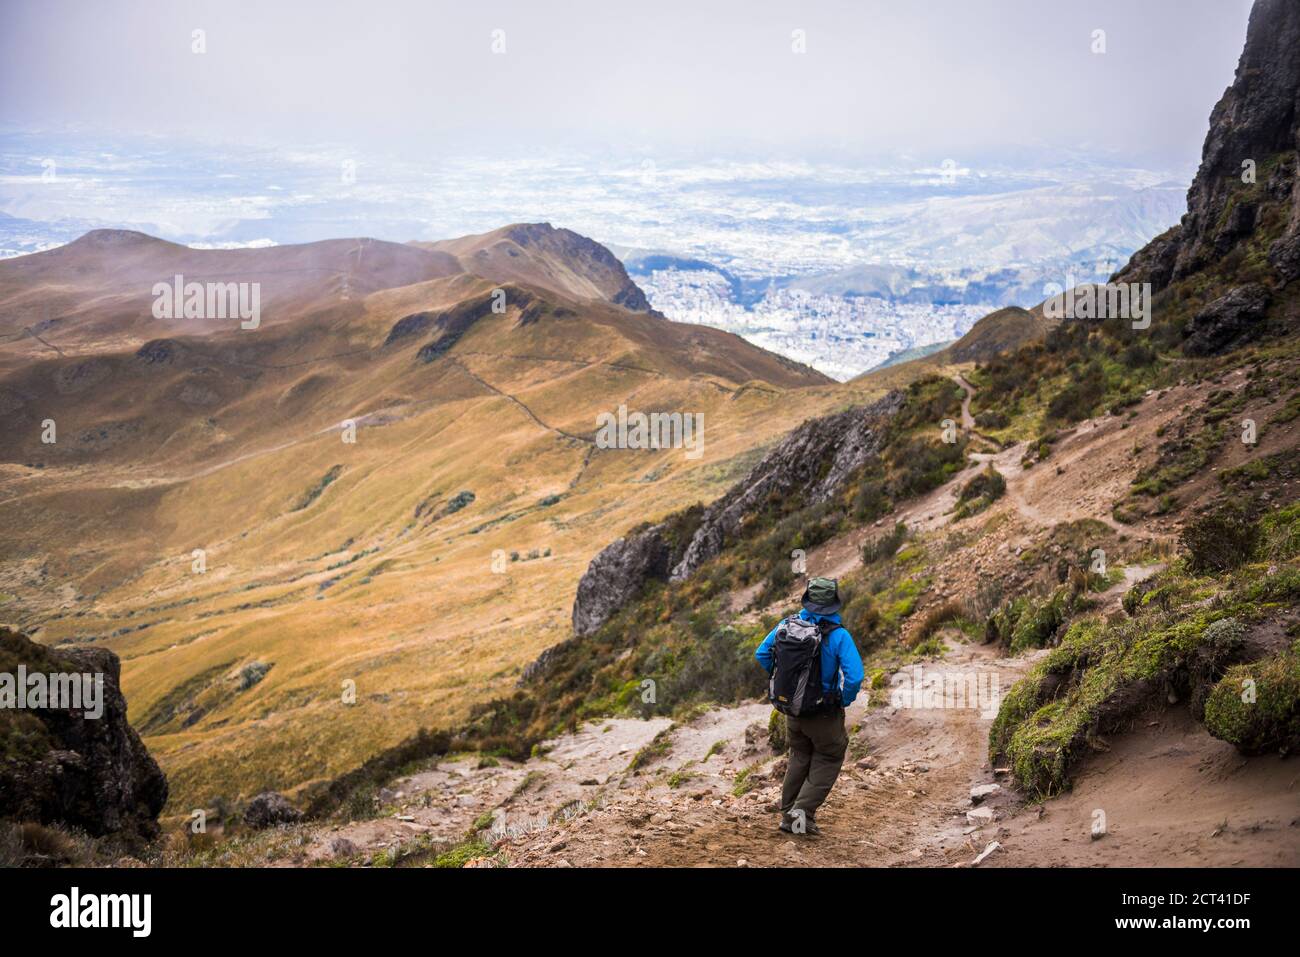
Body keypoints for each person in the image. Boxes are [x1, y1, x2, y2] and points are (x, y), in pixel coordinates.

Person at [754, 576, 863, 835]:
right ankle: (799, 817)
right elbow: (855, 676)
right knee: (829, 756)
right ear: (834, 604)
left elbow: (762, 653)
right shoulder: (839, 636)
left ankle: (788, 815)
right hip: (824, 712)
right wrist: (843, 699)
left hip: (792, 709)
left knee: (800, 756)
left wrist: (788, 685)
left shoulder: (787, 625)